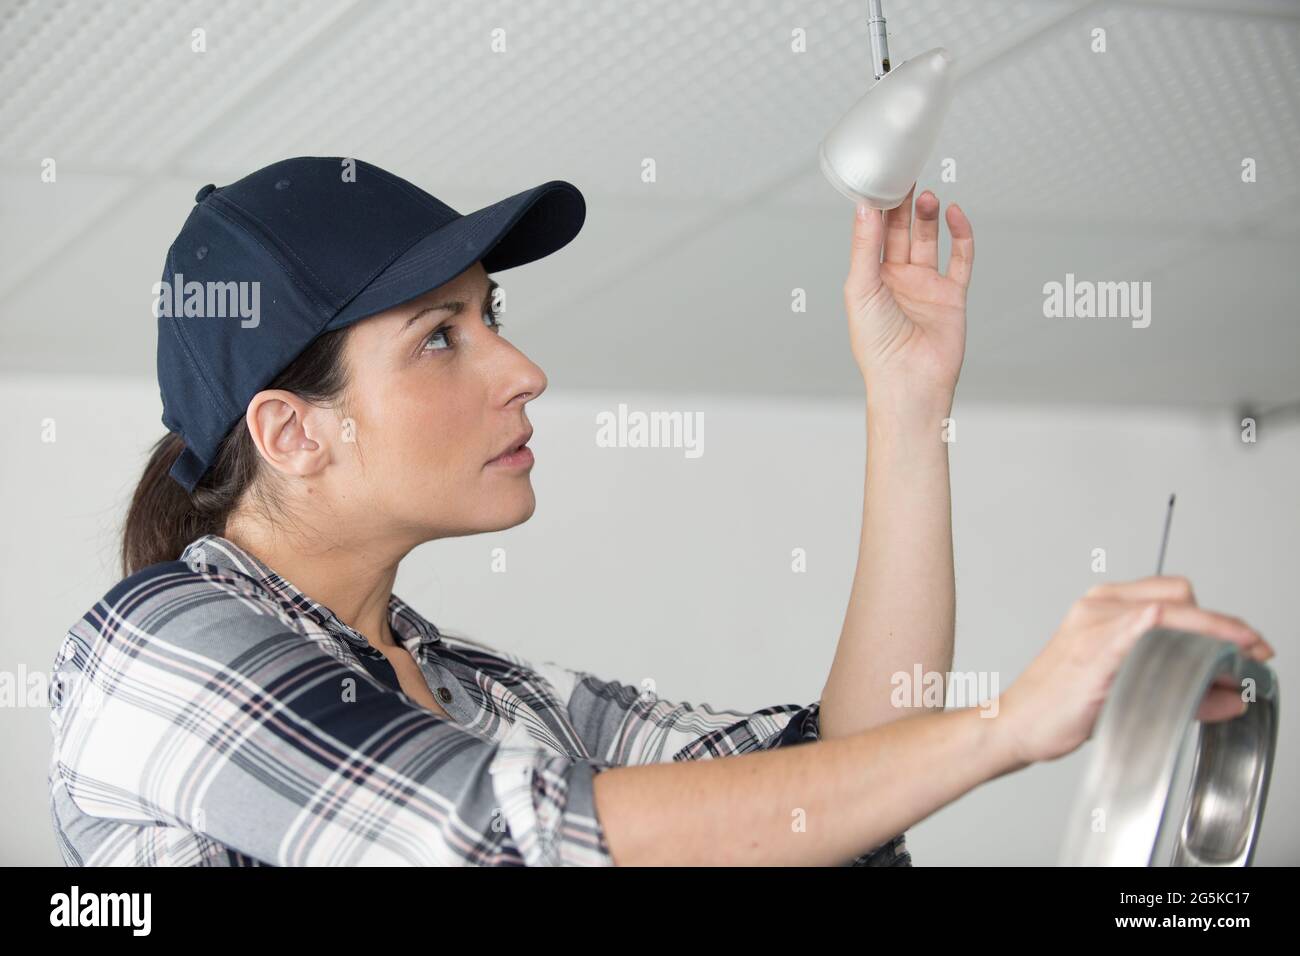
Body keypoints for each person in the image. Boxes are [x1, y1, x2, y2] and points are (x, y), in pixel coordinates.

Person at [47, 157, 1272, 867]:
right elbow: (491, 836)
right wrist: (1008, 725)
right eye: (439, 336)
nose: (520, 371)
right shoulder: (153, 650)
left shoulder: (485, 696)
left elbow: (828, 781)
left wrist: (908, 405)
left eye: (495, 319)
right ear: (293, 432)